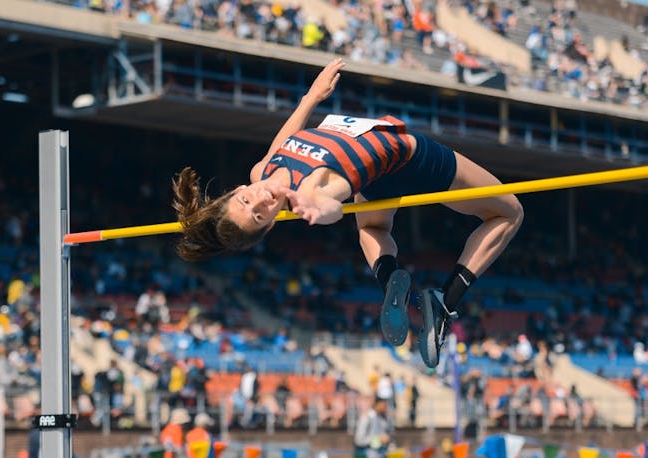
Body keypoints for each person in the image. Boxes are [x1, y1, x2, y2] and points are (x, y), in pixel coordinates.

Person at [172, 58, 523, 367]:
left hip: (377, 174)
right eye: (261, 215)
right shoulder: (311, 191)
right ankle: (445, 301)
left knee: (374, 230)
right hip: (412, 159)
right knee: (509, 213)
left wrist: (312, 96)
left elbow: (286, 137)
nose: (260, 201)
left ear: (238, 190)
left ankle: (390, 279)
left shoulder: (261, 171)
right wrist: (315, 209)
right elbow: (331, 205)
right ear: (269, 227)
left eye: (246, 202)